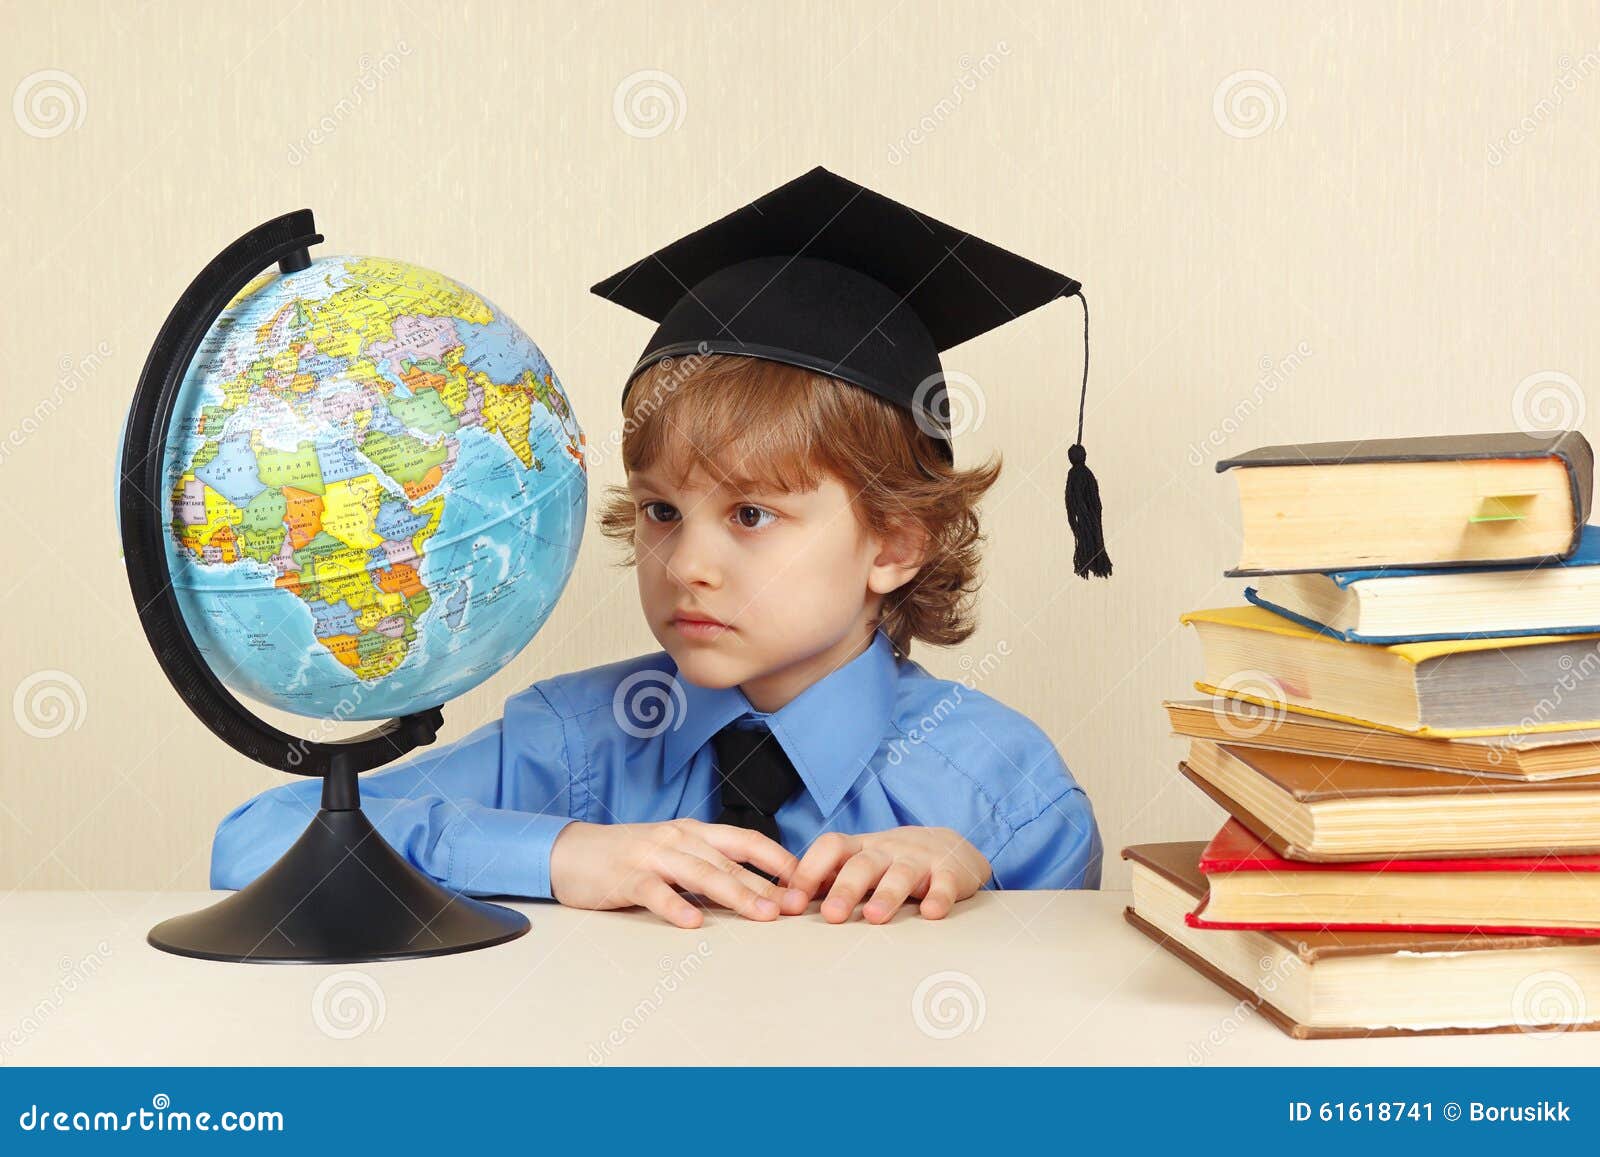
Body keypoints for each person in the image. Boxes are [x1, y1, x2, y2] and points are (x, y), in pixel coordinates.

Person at [211, 166, 1107, 927]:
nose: (686, 565)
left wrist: (983, 882)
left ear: (896, 542)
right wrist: (559, 852)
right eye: (662, 511)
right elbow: (254, 842)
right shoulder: (573, 746)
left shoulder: (1002, 794)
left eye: (752, 515)